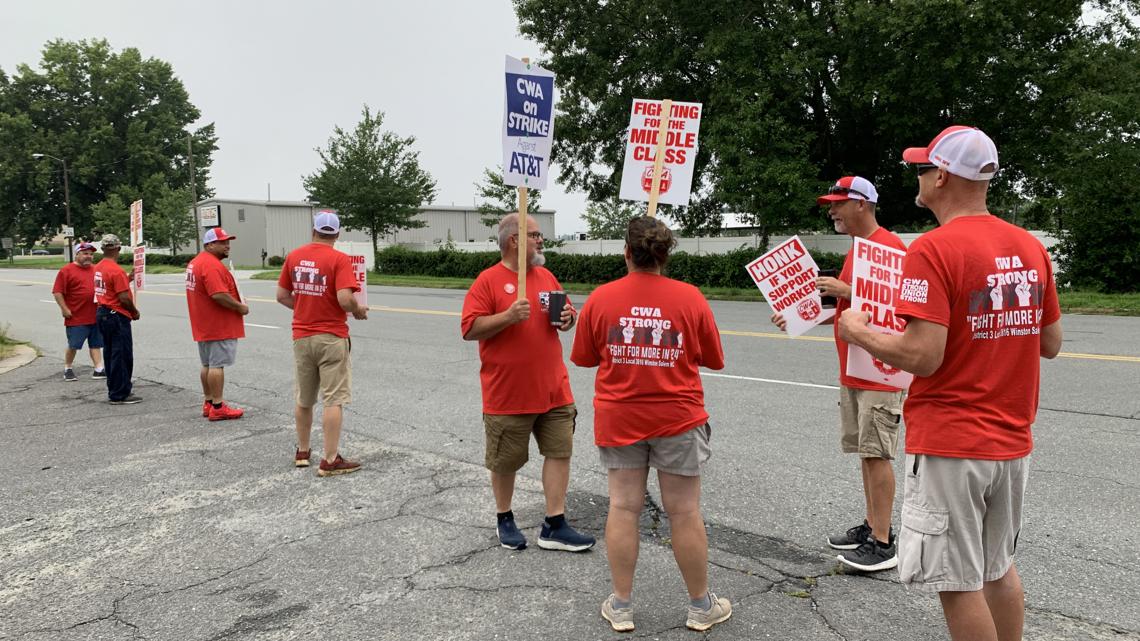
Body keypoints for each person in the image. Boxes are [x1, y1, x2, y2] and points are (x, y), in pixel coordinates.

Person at [839, 126, 1062, 641]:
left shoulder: (934, 249)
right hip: (1012, 440)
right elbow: (1050, 342)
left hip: (953, 441)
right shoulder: (1028, 246)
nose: (917, 176)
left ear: (941, 176)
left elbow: (922, 355)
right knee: (997, 567)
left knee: (958, 582)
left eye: (921, 168)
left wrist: (860, 330)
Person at [571, 216, 731, 633]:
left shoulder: (602, 298)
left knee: (623, 507)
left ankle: (621, 605)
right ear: (665, 255)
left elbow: (585, 357)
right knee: (685, 511)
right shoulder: (690, 298)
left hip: (620, 415)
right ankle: (700, 605)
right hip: (678, 416)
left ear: (627, 253)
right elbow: (714, 358)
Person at [771, 176, 908, 572]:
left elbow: (896, 307)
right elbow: (853, 314)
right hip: (854, 369)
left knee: (877, 454)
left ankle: (884, 544)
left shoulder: (890, 247)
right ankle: (871, 525)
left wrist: (845, 290)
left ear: (862, 204)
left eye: (837, 203)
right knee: (866, 454)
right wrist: (799, 319)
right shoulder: (859, 250)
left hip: (881, 371)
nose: (831, 210)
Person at [460, 212, 595, 553]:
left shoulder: (545, 275)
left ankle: (554, 523)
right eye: (535, 235)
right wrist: (507, 316)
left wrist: (568, 319)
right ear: (514, 240)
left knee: (559, 452)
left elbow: (563, 314)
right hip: (508, 393)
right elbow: (469, 328)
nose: (541, 241)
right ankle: (504, 518)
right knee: (505, 461)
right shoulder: (487, 281)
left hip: (553, 389)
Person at [276, 211, 368, 477]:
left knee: (304, 397)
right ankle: (330, 459)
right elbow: (343, 298)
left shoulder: (294, 256)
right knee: (333, 399)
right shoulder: (339, 259)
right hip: (331, 335)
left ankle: (303, 452)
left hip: (302, 336)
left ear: (313, 230)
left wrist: (305, 306)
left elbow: (282, 295)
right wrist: (358, 310)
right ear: (337, 234)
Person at [186, 227, 249, 421]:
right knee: (217, 366)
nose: (227, 245)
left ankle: (209, 401)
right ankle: (218, 406)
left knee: (207, 364)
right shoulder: (211, 265)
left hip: (204, 323)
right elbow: (219, 294)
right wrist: (240, 307)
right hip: (218, 323)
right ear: (210, 244)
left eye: (228, 241)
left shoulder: (196, 262)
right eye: (222, 242)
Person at [94, 234, 141, 404]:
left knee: (110, 352)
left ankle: (113, 388)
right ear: (118, 249)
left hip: (103, 312)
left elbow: (109, 287)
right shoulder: (116, 270)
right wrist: (134, 312)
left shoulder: (99, 267)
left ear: (102, 249)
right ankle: (120, 393)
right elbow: (123, 298)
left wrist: (127, 278)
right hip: (116, 315)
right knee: (121, 355)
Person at [52, 241, 105, 381]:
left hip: (95, 314)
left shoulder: (95, 269)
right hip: (76, 315)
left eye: (91, 254)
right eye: (85, 253)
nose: (88, 256)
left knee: (96, 343)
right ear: (77, 254)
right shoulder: (66, 270)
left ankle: (99, 369)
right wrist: (64, 308)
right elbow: (58, 292)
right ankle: (68, 368)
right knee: (74, 344)